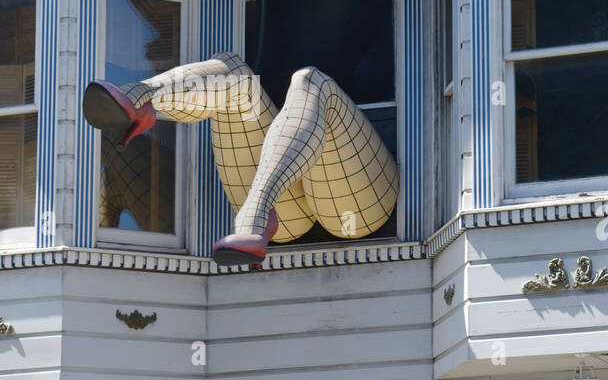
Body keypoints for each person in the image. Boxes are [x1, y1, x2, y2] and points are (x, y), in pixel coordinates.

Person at [82, 53, 397, 265]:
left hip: (354, 209)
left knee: (310, 83)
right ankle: (139, 95)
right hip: (285, 212)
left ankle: (256, 214)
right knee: (234, 71)